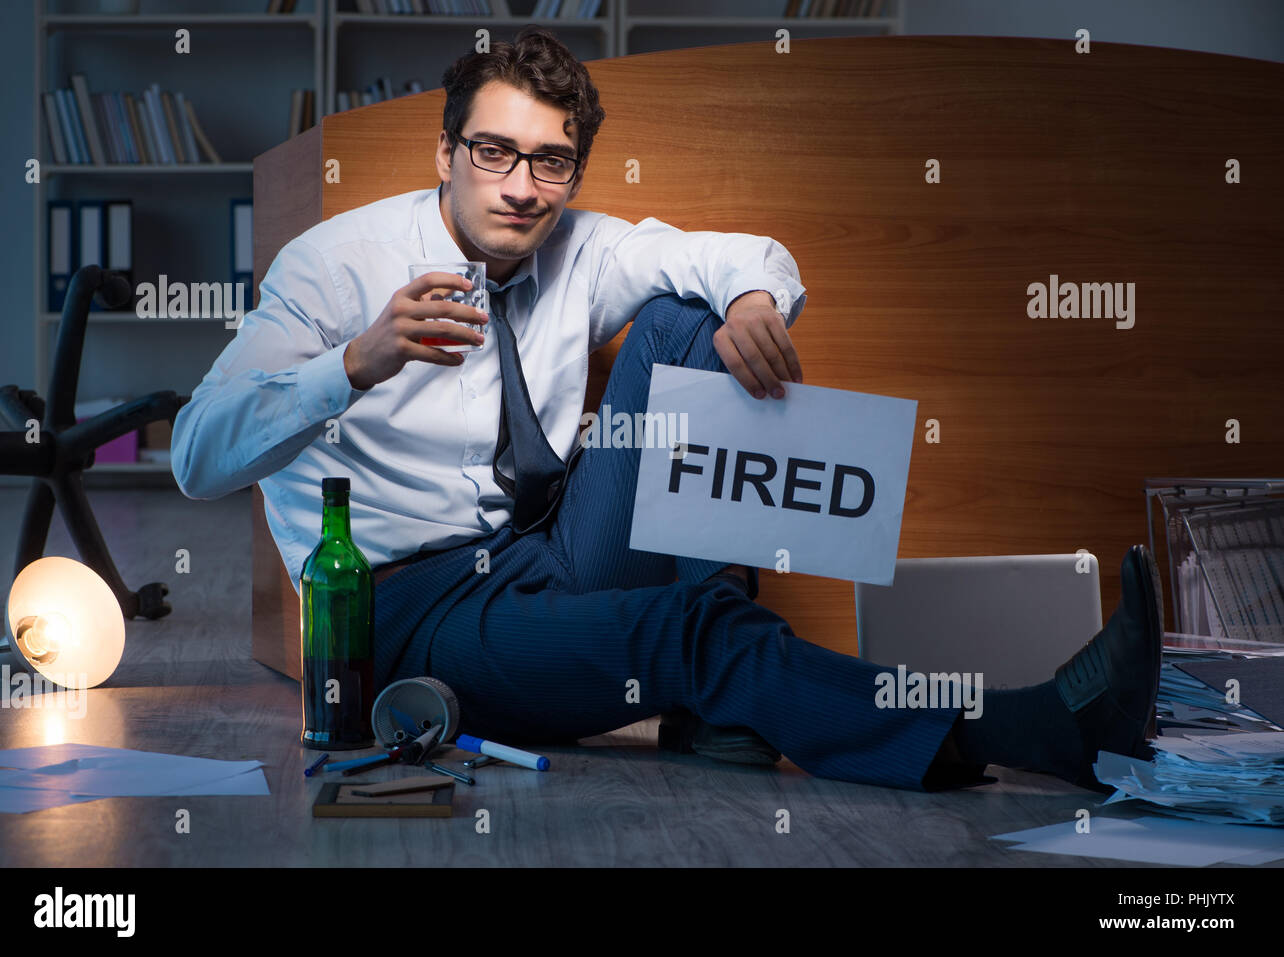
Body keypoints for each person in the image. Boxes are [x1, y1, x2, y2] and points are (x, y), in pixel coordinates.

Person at [171, 26, 1163, 793]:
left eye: (550, 161)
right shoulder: (336, 266)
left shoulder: (578, 246)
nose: (521, 188)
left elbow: (726, 252)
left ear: (573, 171)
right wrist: (355, 360)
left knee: (691, 318)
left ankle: (721, 702)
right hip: (402, 615)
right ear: (445, 152)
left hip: (537, 551)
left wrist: (756, 300)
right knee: (682, 630)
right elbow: (196, 457)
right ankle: (1035, 728)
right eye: (493, 153)